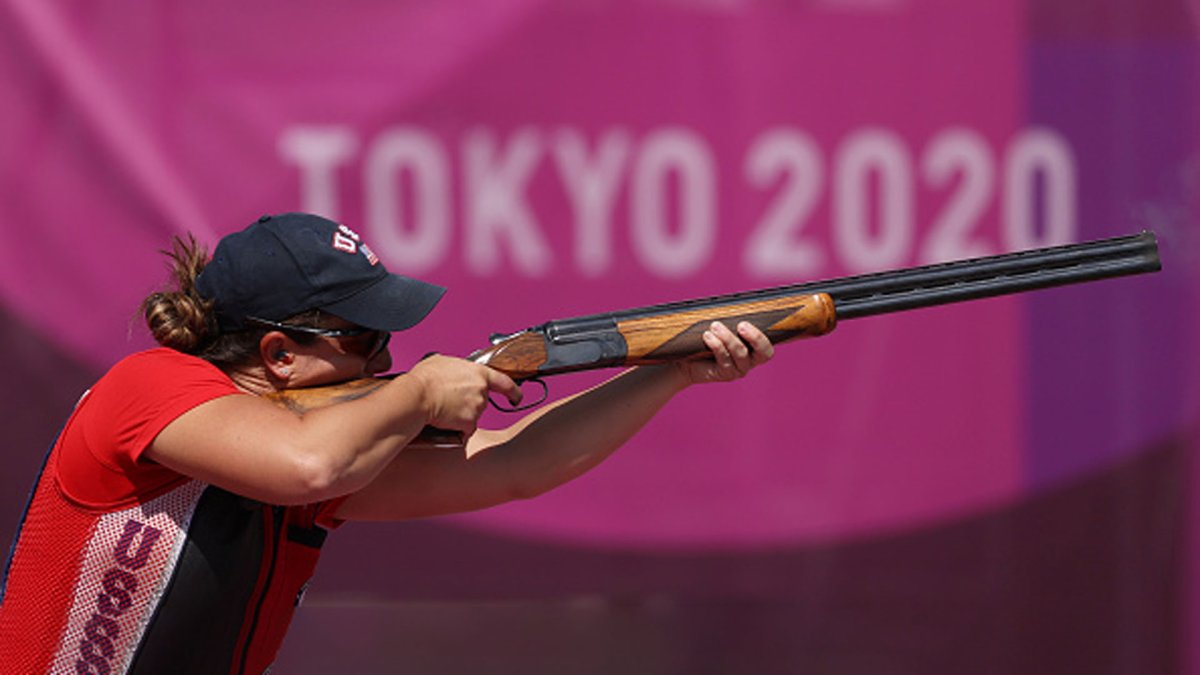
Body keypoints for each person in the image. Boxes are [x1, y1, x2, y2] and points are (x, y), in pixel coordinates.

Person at [0, 212, 774, 674]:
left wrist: (668, 372)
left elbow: (516, 463)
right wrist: (421, 392)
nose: (386, 359)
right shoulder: (146, 387)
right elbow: (309, 462)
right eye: (366, 339)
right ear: (279, 355)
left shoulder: (315, 449)